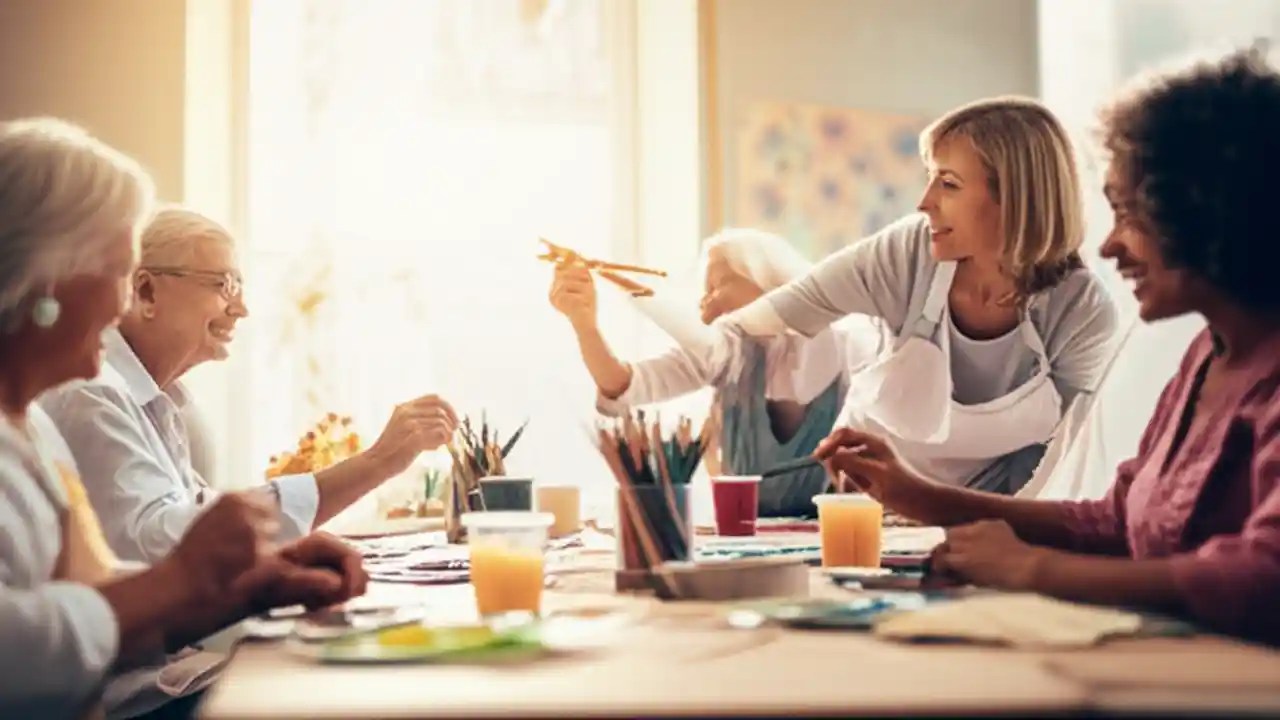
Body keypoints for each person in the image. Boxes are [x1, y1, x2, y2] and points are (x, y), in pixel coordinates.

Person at [815, 47, 1280, 645]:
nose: (1110, 247)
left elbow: (1266, 578)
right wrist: (918, 495)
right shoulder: (1207, 357)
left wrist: (1033, 569)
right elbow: (1114, 522)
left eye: (1129, 214)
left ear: (1207, 212)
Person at [0, 117, 367, 719]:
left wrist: (252, 589)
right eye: (118, 271)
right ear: (43, 277)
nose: (123, 303)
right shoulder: (64, 410)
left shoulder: (33, 428)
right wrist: (183, 578)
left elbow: (102, 606)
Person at [723, 97, 1120, 495]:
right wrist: (728, 325)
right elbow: (786, 310)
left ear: (1016, 199)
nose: (924, 201)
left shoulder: (1082, 311)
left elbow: (1058, 464)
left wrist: (964, 524)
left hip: (990, 511)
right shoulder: (909, 253)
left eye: (948, 184)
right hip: (861, 496)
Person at [40, 206, 459, 563]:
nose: (240, 308)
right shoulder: (92, 395)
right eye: (223, 285)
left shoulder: (157, 402)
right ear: (146, 291)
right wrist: (376, 463)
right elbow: (160, 543)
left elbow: (201, 520)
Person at [549, 228, 884, 516]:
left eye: (718, 284)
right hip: (748, 537)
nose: (704, 300)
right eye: (703, 289)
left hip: (837, 532)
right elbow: (623, 385)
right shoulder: (730, 354)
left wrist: (625, 283)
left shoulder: (844, 342)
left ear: (768, 281)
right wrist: (583, 321)